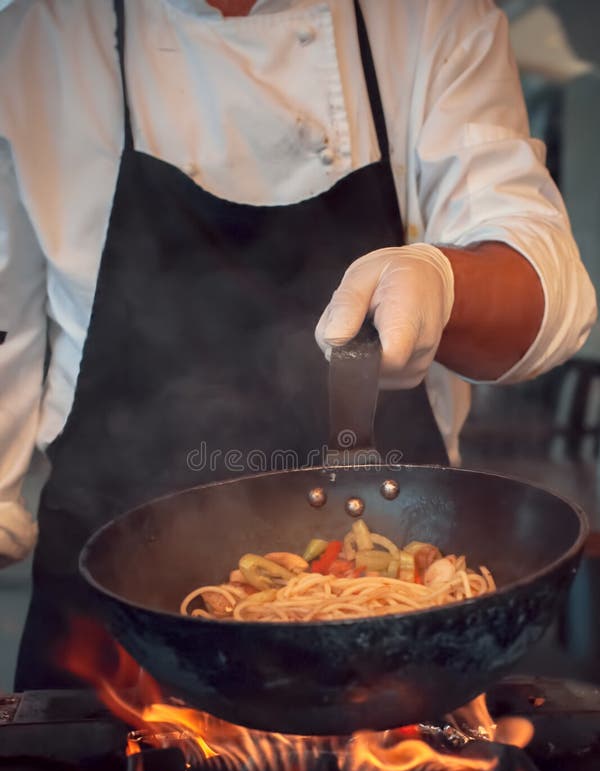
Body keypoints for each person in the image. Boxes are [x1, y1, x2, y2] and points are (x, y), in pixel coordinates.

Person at [0, 0, 595, 689]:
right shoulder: (38, 39)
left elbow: (548, 284)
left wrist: (444, 282)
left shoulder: (428, 16)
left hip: (399, 653)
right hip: (115, 638)